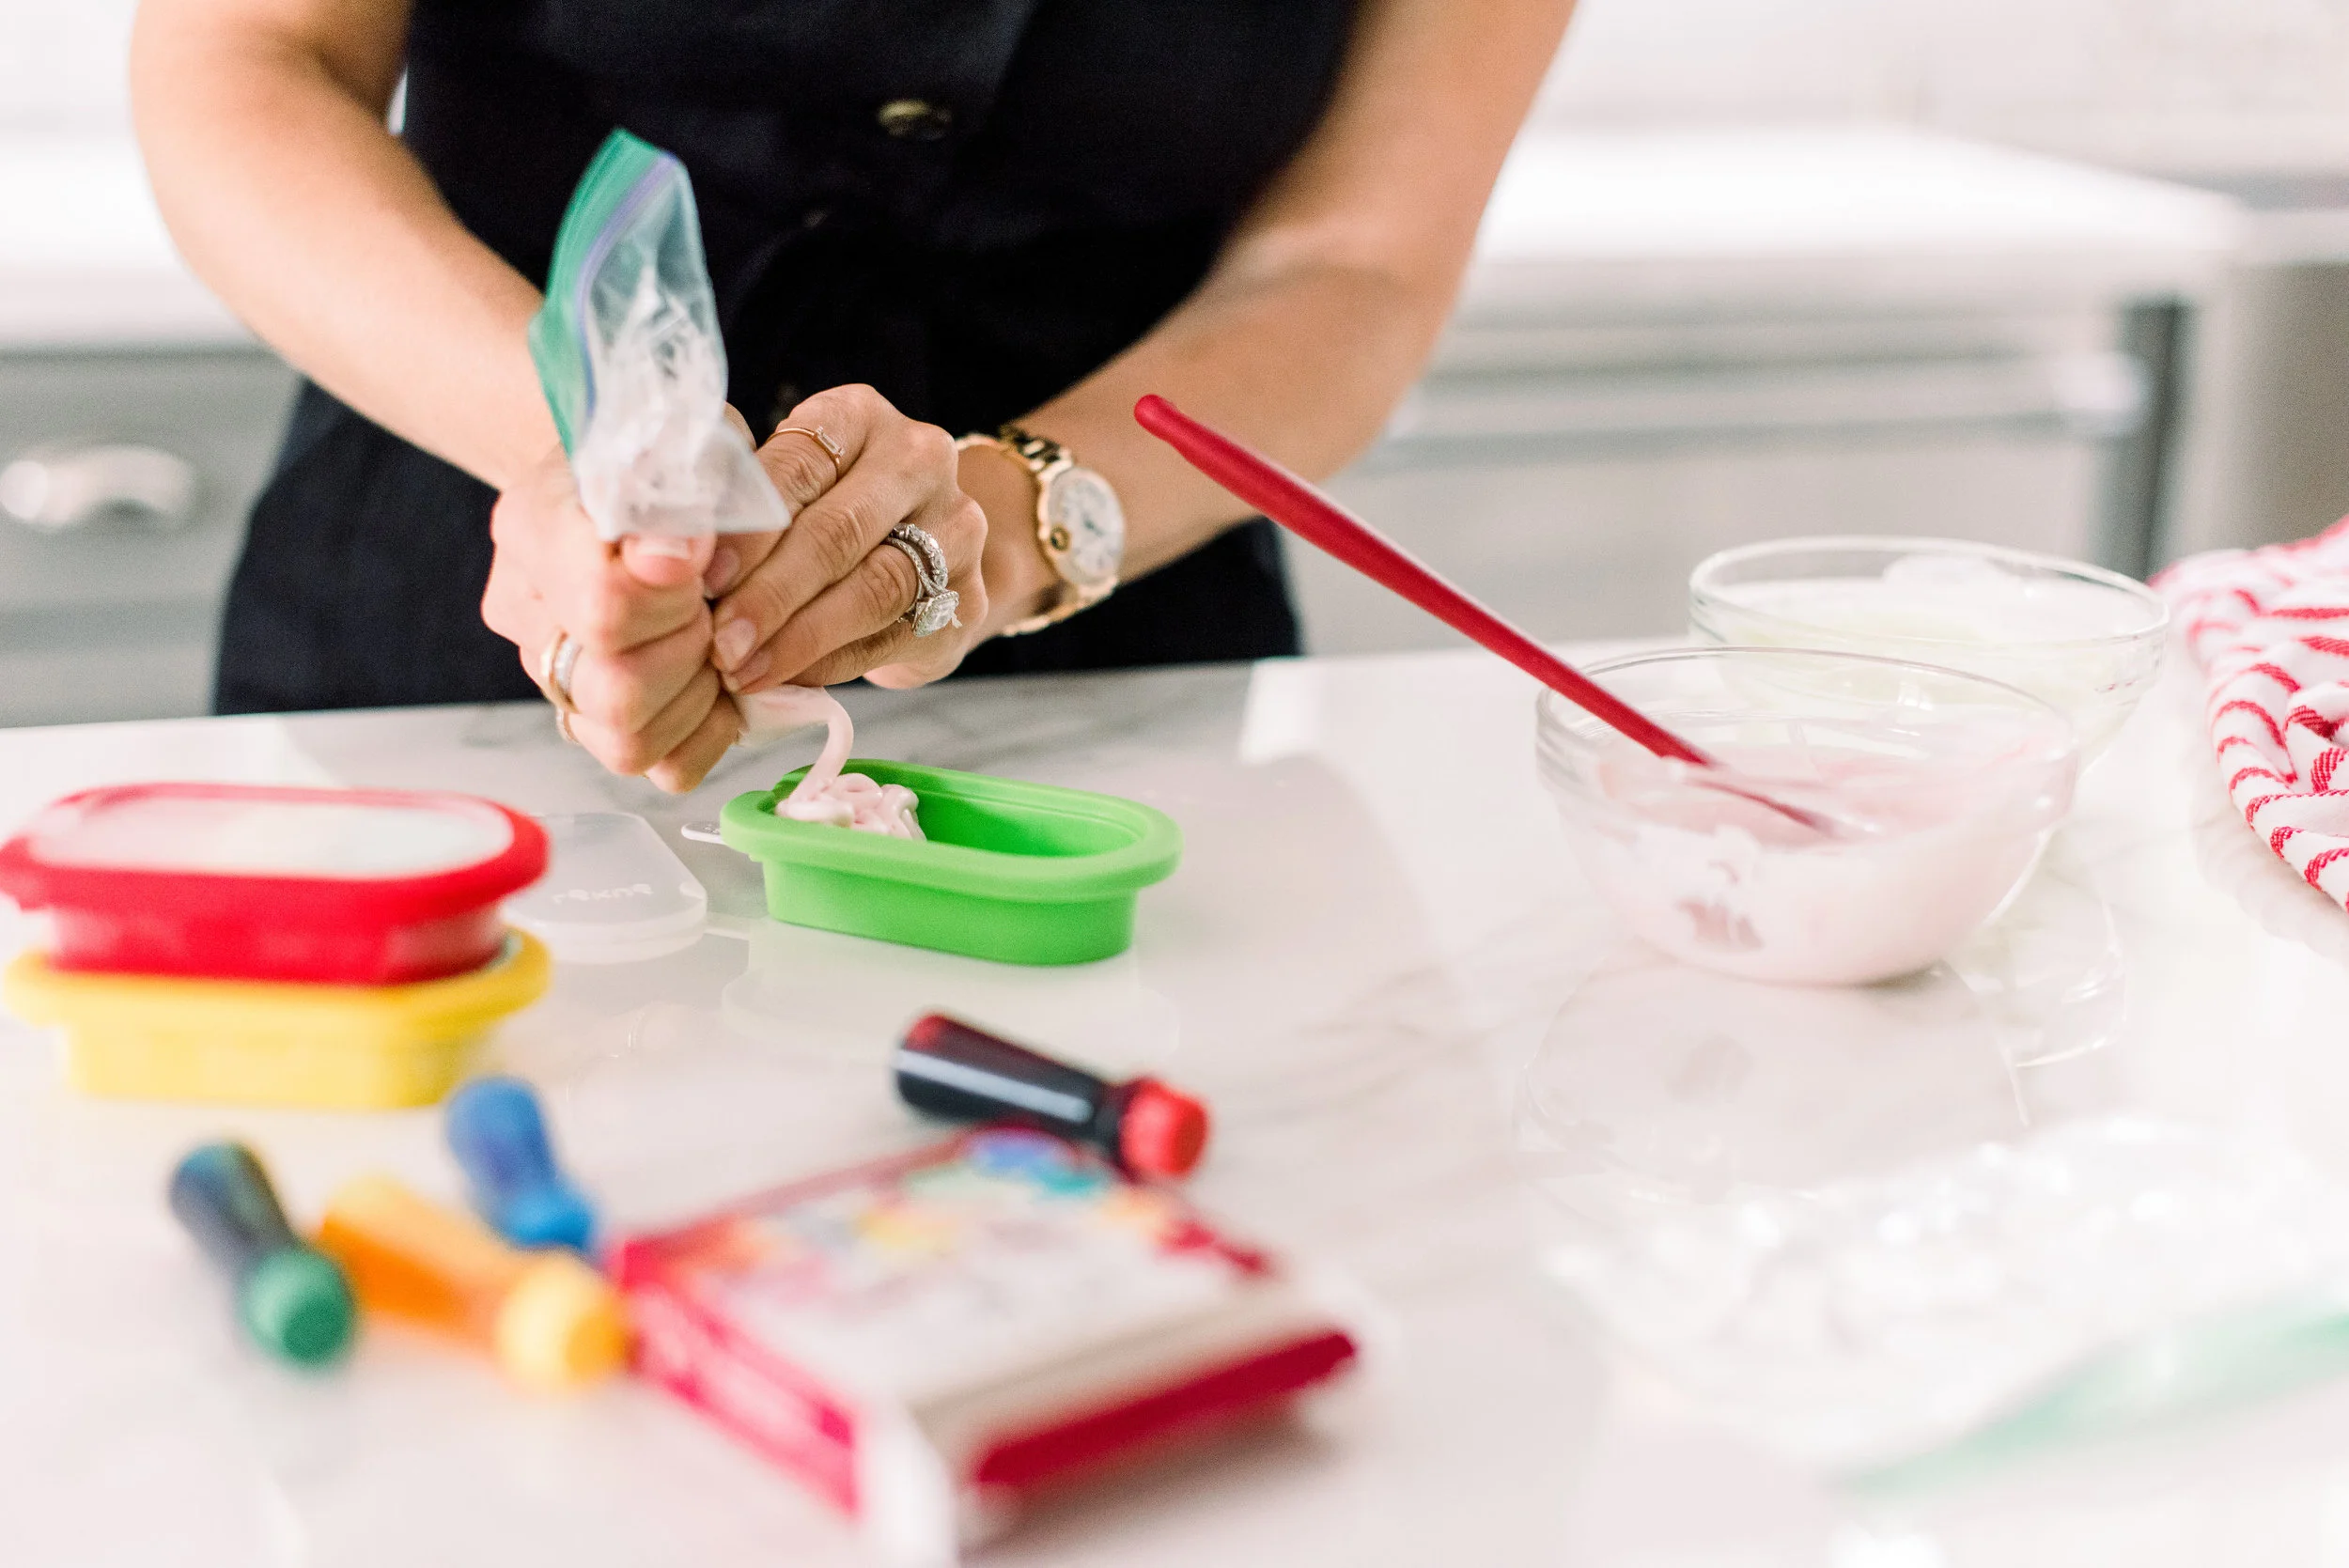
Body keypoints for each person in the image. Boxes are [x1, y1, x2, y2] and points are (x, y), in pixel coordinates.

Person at [132, 0, 1574, 792]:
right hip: (460, 611)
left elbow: (1357, 260)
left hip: (1119, 669)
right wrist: (617, 477)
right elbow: (248, 62)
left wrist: (1013, 520)